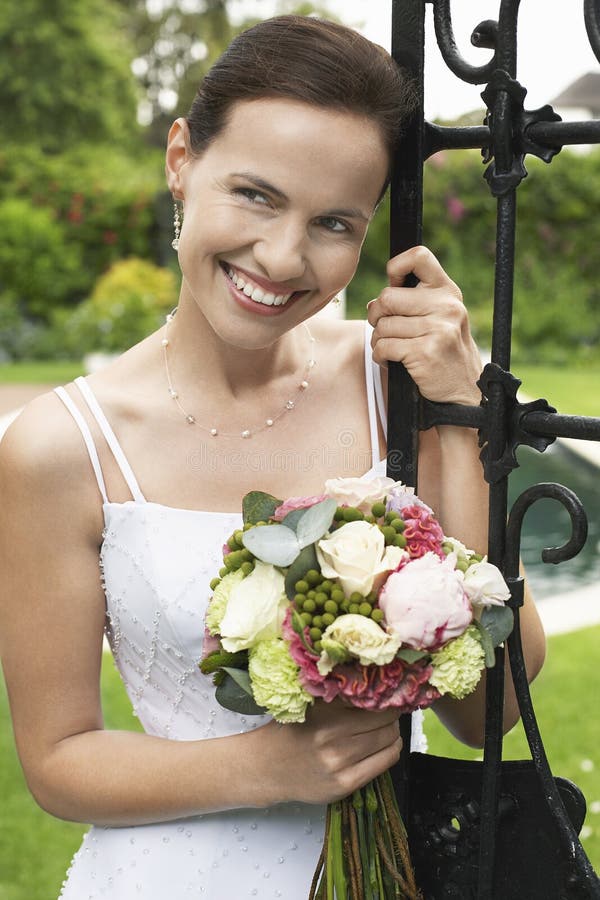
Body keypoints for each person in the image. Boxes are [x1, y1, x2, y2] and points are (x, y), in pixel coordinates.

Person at [0, 14, 546, 899]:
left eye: (333, 222)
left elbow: (491, 714)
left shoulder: (397, 391)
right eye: (254, 195)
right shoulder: (59, 450)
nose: (283, 257)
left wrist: (454, 412)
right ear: (182, 159)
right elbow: (60, 761)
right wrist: (272, 768)